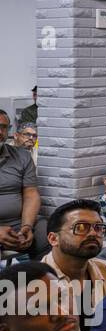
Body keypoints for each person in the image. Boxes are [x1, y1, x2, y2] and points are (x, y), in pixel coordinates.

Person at [41, 200, 106, 320]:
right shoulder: (33, 282)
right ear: (54, 238)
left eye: (98, 227)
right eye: (80, 227)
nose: (93, 233)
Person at [0, 110, 39, 259]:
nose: (0, 131)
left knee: (51, 236)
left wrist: (27, 226)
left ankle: (41, 280)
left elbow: (31, 193)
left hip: (18, 223)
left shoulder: (22, 156)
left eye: (4, 127)